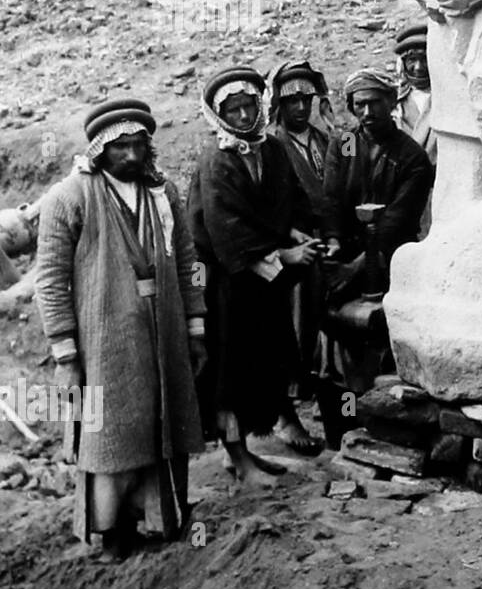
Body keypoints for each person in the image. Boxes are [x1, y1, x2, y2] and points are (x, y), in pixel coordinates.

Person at [34, 98, 205, 561]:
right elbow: (50, 281)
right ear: (98, 150)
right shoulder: (68, 198)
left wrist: (194, 325)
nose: (130, 156)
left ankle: (161, 517)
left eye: (138, 146)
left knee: (163, 416)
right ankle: (110, 530)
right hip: (103, 334)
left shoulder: (163, 192)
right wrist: (66, 354)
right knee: (109, 429)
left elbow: (189, 262)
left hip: (163, 325)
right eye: (120, 148)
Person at [188, 67, 321, 485]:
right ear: (219, 113)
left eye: (250, 106)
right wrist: (284, 253)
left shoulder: (272, 150)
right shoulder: (218, 161)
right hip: (229, 283)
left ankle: (247, 448)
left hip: (264, 283)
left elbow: (289, 199)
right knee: (230, 370)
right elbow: (227, 229)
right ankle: (237, 455)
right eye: (235, 109)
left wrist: (297, 230)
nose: (245, 116)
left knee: (265, 360)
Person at [321, 68, 435, 398]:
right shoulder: (345, 144)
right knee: (340, 342)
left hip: (391, 260)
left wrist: (356, 267)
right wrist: (332, 242)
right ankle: (348, 415)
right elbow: (332, 199)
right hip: (346, 255)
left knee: (383, 338)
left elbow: (396, 222)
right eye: (359, 105)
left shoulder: (411, 158)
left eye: (374, 103)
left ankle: (387, 408)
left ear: (390, 102)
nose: (367, 113)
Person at [264, 60, 335, 455]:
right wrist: (294, 234)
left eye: (305, 98)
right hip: (294, 245)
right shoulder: (275, 144)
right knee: (298, 319)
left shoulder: (325, 139)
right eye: (291, 100)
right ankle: (292, 398)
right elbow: (275, 203)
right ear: (278, 104)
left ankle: (332, 398)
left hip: (330, 239)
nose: (300, 107)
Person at [393, 22, 437, 235]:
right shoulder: (392, 104)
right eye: (412, 60)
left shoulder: (452, 100)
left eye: (424, 59)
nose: (418, 67)